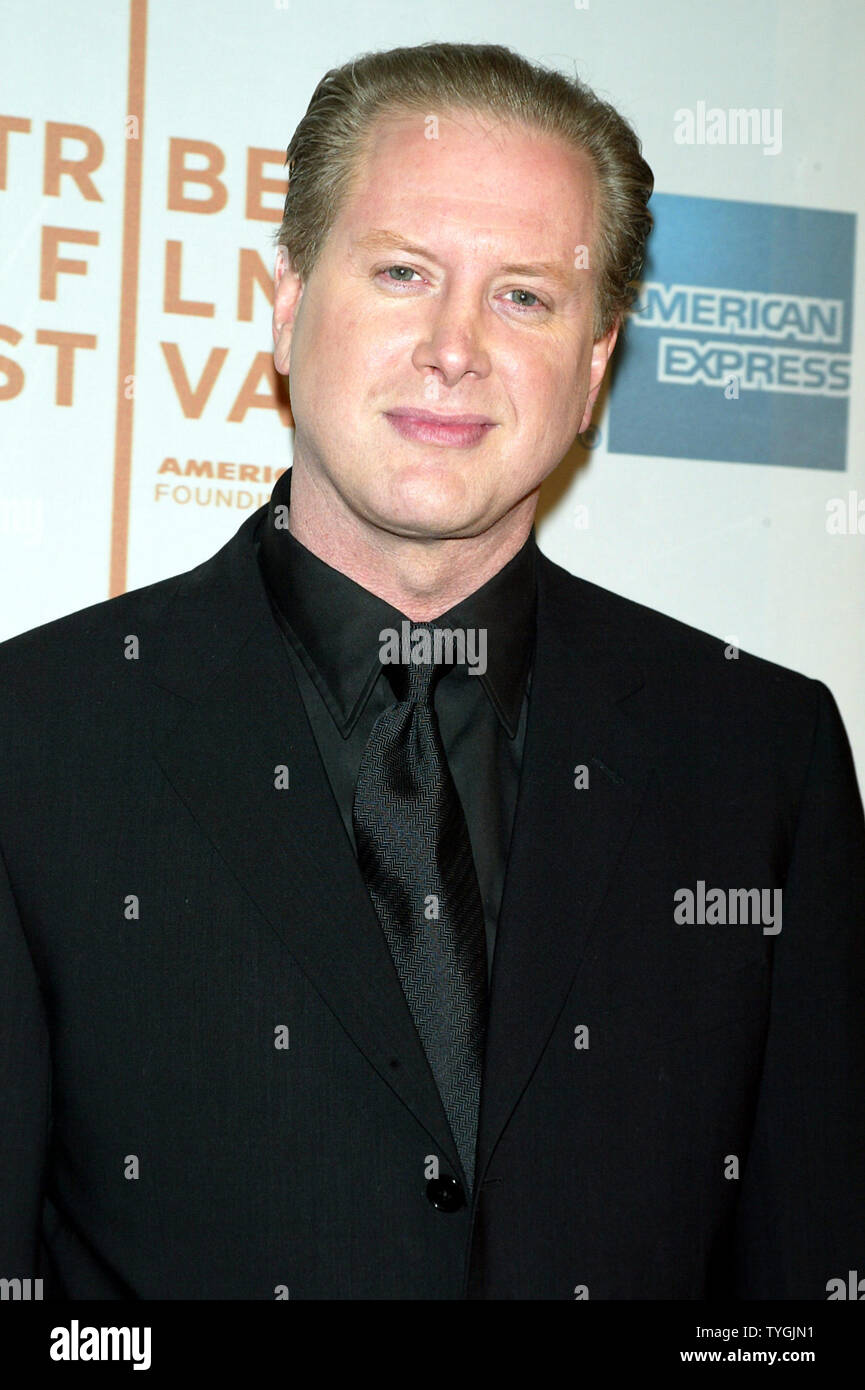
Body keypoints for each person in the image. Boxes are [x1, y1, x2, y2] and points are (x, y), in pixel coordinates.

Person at [1, 41, 862, 1301]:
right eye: (403, 273)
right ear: (286, 305)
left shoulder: (758, 755)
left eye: (525, 296)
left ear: (595, 366)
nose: (454, 346)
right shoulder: (38, 737)